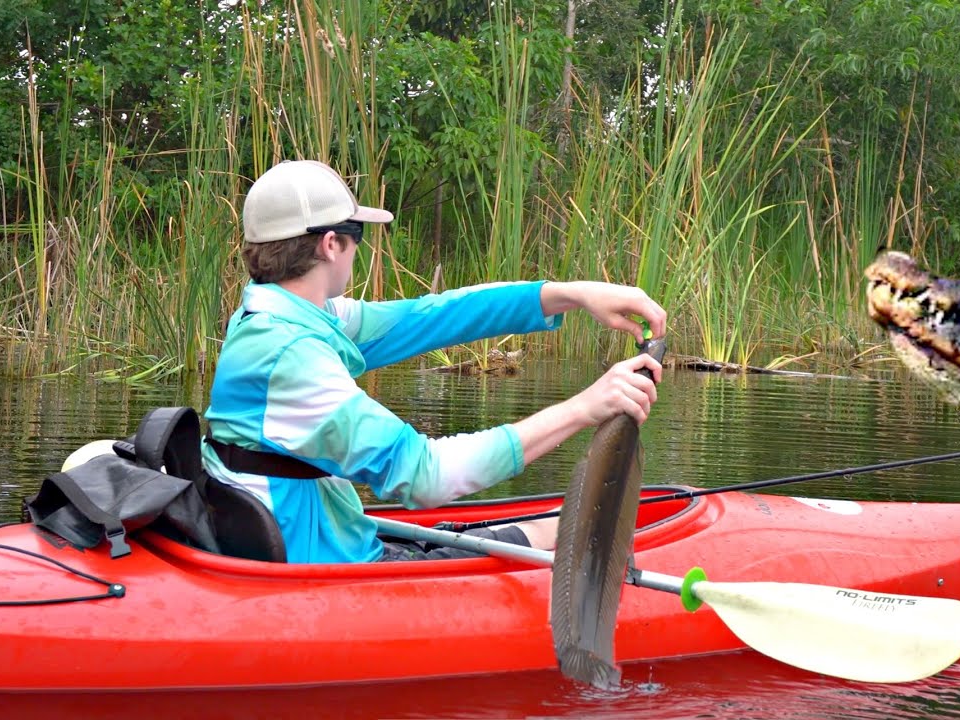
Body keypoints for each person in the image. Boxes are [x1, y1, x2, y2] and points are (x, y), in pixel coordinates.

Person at [201, 159, 666, 563]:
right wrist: (585, 407)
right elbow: (426, 476)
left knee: (542, 527)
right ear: (330, 244)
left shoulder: (277, 318)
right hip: (320, 561)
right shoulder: (291, 355)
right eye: (356, 234)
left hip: (316, 533)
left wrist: (572, 294)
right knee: (554, 530)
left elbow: (432, 316)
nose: (359, 248)